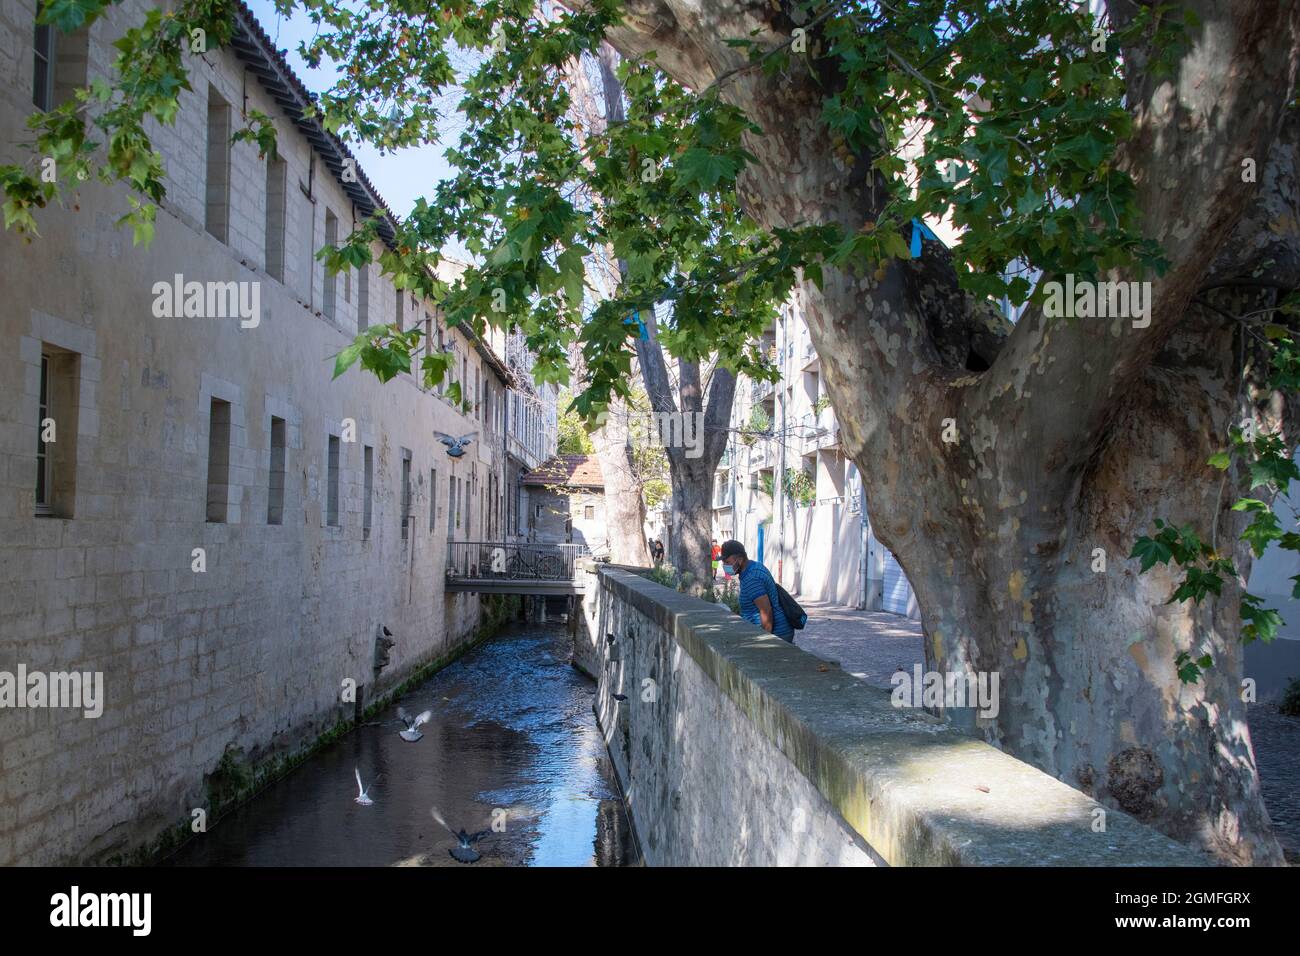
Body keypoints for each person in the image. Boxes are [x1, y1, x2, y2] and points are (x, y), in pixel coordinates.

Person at [719, 540, 792, 641]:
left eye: (727, 562)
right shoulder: (753, 567)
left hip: (777, 633)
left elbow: (766, 610)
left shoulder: (752, 578)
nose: (725, 565)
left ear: (740, 559)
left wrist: (766, 640)